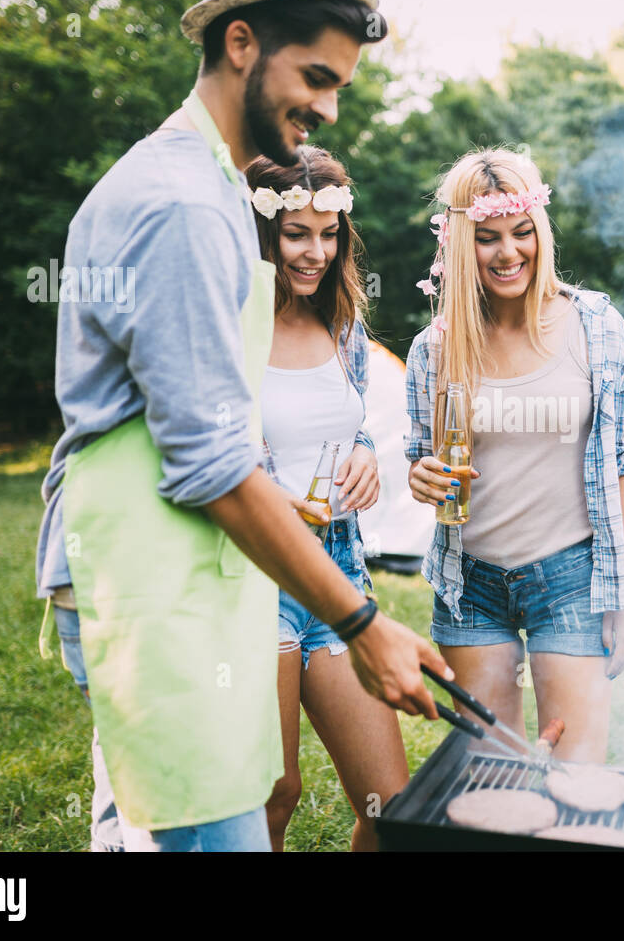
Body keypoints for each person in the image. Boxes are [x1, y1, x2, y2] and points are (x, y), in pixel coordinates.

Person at [34, 0, 447, 853]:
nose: (330, 107)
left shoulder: (211, 186)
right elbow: (209, 463)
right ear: (242, 43)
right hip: (153, 582)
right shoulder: (184, 204)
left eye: (342, 85)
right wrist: (364, 624)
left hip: (198, 570)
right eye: (317, 76)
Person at [404, 148, 624, 763]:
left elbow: (622, 464)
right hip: (471, 585)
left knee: (575, 774)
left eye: (521, 233)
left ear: (540, 230)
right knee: (493, 776)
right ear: (461, 244)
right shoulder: (435, 348)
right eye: (487, 238)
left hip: (568, 579)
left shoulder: (594, 326)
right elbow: (418, 457)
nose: (509, 253)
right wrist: (421, 475)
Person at [245, 146, 408, 851]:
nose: (315, 252)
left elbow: (350, 417)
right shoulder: (229, 332)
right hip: (257, 575)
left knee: (390, 806)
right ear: (262, 232)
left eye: (329, 233)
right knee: (273, 797)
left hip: (340, 566)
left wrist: (368, 449)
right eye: (296, 233)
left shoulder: (341, 322)